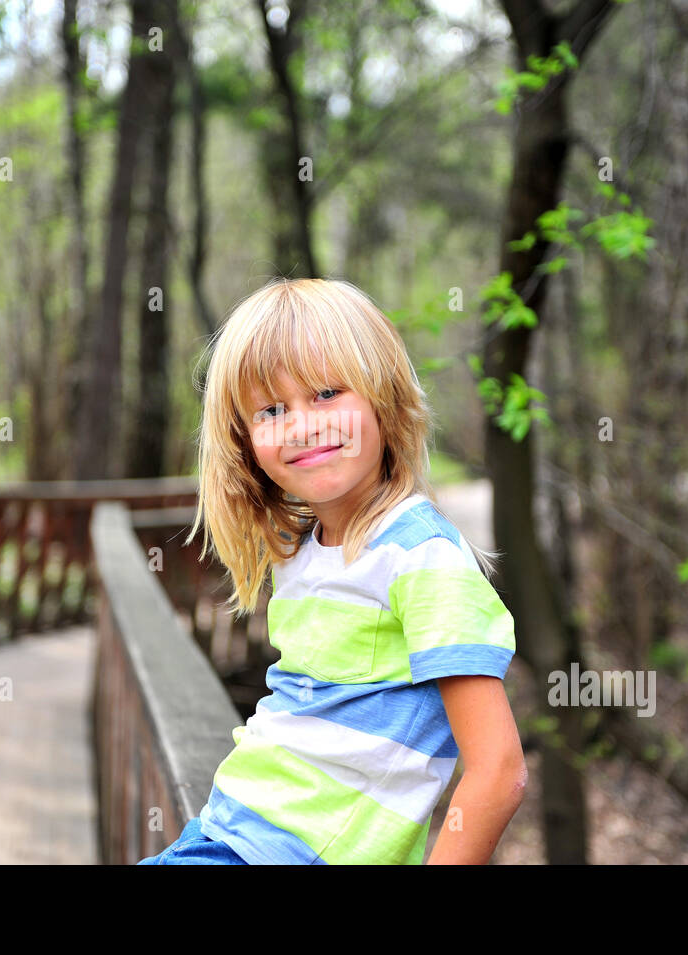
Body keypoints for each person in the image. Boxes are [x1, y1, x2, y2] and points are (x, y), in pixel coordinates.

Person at [137, 277, 527, 865]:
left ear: (384, 399)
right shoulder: (301, 549)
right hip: (229, 829)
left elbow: (498, 772)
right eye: (271, 409)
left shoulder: (420, 556)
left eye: (325, 394)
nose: (301, 425)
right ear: (246, 442)